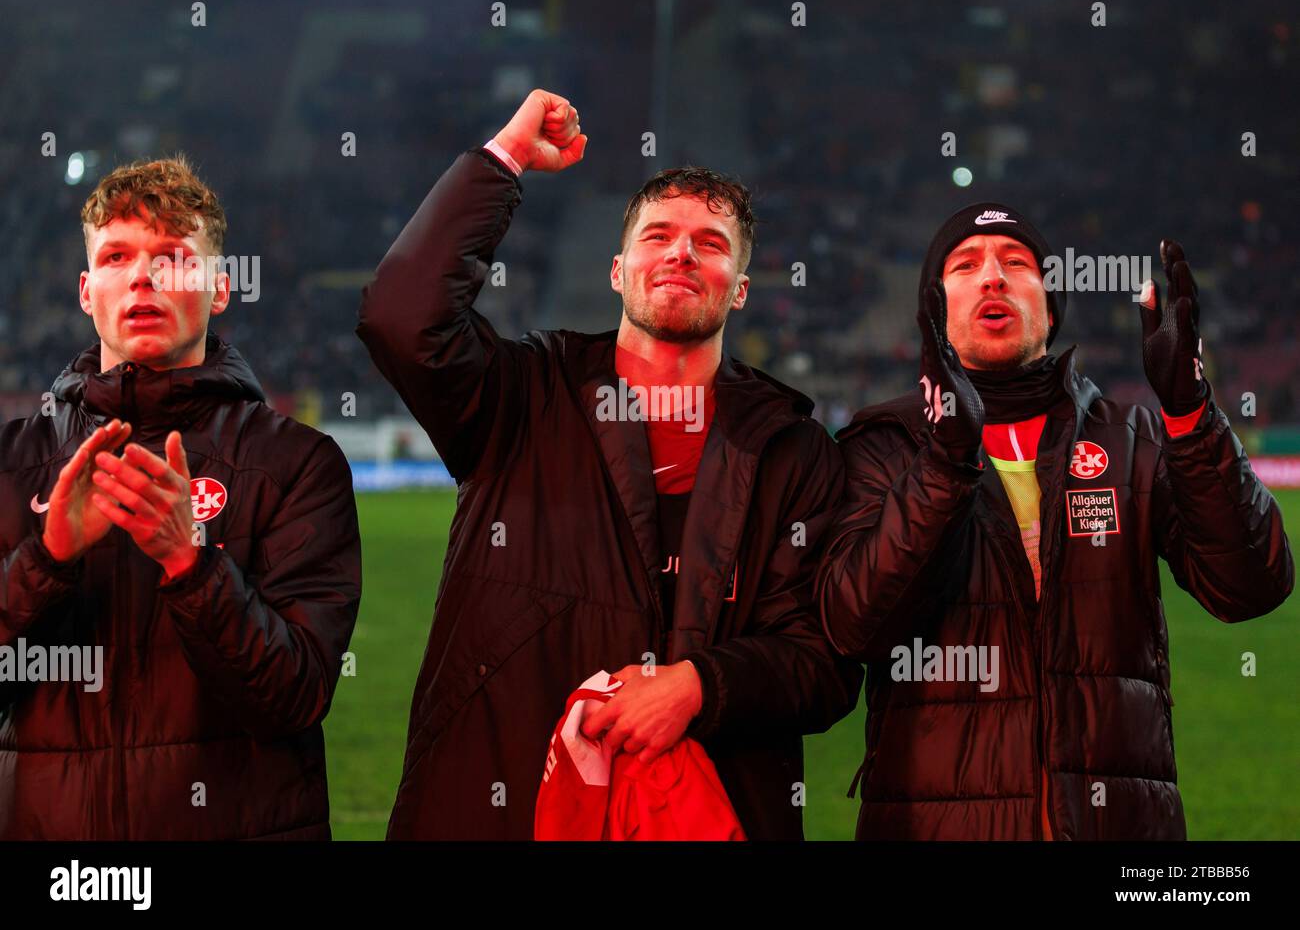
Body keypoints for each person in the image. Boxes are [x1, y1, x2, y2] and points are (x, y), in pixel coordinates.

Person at [357, 88, 862, 840]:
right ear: (619, 272)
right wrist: (504, 161)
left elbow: (823, 662)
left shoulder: (794, 450)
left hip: (705, 811)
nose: (683, 253)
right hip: (503, 803)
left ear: (742, 290)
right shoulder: (522, 395)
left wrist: (702, 686)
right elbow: (401, 319)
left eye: (711, 243)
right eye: (658, 237)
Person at [817, 202, 1293, 840]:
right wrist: (944, 460)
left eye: (1018, 264)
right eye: (966, 264)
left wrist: (1189, 412)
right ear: (934, 308)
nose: (994, 277)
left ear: (1051, 304)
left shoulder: (1133, 437)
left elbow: (1250, 585)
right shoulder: (881, 444)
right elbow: (852, 626)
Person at [0, 156, 361, 839]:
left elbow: (296, 698)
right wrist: (45, 560)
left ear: (220, 288)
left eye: (172, 257)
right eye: (116, 257)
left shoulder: (298, 464)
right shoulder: (13, 463)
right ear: (85, 290)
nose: (142, 276)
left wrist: (190, 565)